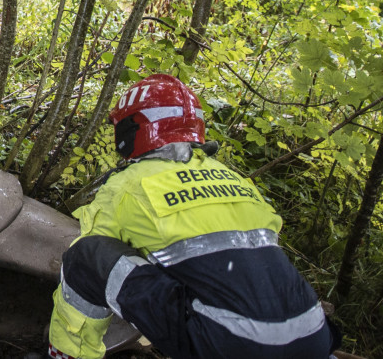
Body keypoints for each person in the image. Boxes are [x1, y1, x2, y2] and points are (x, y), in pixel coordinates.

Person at [47, 74, 339, 359]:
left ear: (132, 127)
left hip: (230, 343)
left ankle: (67, 354)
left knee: (85, 257)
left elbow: (94, 253)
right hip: (314, 335)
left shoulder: (130, 184)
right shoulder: (235, 180)